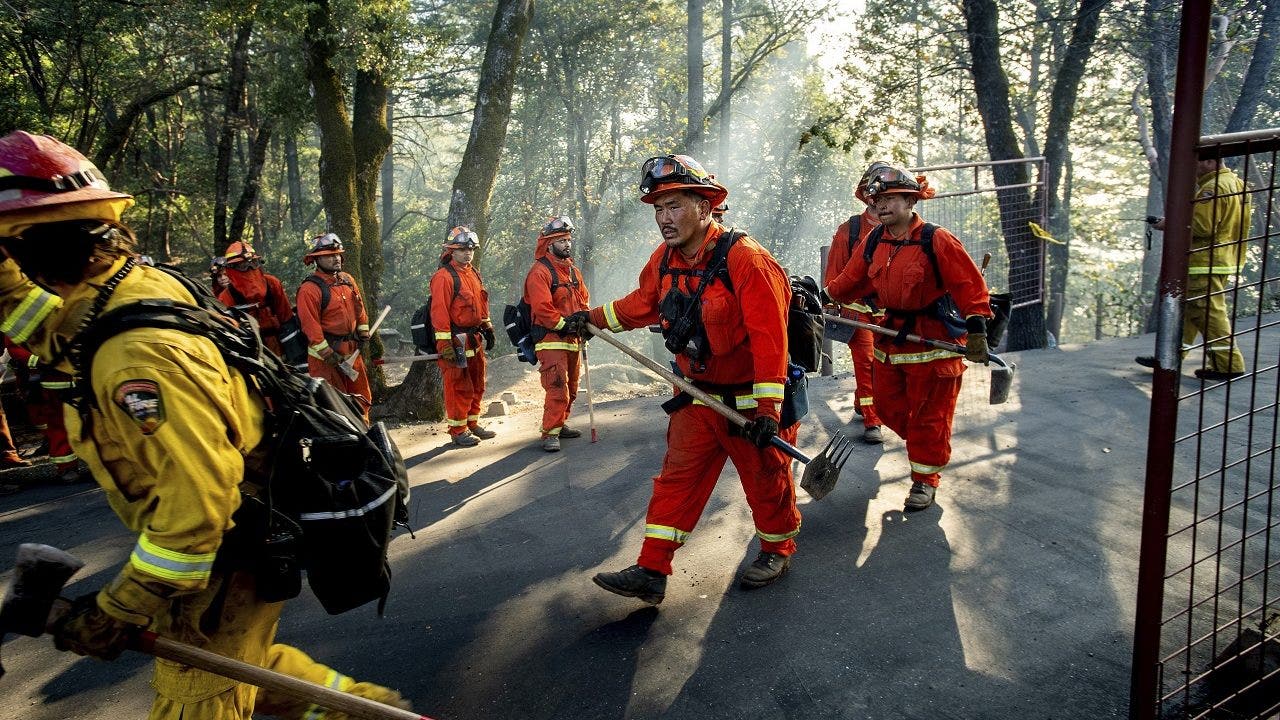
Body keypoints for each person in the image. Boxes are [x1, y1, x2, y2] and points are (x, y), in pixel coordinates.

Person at [0, 131, 407, 717]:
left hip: (223, 558)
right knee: (247, 672)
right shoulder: (127, 290)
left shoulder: (138, 355)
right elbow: (58, 330)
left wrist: (118, 611)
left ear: (32, 247)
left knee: (198, 697)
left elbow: (195, 515)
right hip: (232, 536)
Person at [580, 154, 801, 604]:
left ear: (705, 206)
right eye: (658, 209)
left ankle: (777, 549)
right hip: (697, 396)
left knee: (766, 479)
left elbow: (770, 340)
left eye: (674, 206)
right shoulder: (663, 260)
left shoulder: (747, 260)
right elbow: (638, 305)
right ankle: (651, 569)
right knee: (676, 479)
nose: (664, 218)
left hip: (749, 402)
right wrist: (586, 318)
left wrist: (767, 410)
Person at [824, 164, 992, 511]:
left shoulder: (936, 239)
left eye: (888, 198)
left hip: (934, 342)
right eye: (876, 199)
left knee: (930, 416)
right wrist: (819, 298)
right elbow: (849, 281)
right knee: (886, 406)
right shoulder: (874, 240)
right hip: (892, 338)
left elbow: (969, 286)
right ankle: (922, 445)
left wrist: (977, 329)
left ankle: (925, 481)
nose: (880, 205)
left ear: (910, 200)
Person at [1136, 157, 1250, 381]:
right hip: (1221, 258)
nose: (1194, 167)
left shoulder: (1213, 188)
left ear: (1210, 162)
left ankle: (1229, 365)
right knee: (1190, 313)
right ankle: (1171, 357)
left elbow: (1200, 226)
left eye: (1197, 162)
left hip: (1204, 262)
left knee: (1208, 313)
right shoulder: (1236, 183)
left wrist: (1168, 224)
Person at [823, 161, 890, 444]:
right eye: (876, 195)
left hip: (890, 311)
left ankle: (863, 402)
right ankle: (872, 421)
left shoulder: (901, 231)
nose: (880, 202)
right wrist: (828, 304)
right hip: (857, 311)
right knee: (866, 363)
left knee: (884, 363)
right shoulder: (849, 230)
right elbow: (834, 271)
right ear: (867, 195)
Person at [523, 216, 590, 452]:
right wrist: (563, 325)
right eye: (561, 240)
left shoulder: (572, 271)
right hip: (550, 339)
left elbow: (583, 300)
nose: (567, 244)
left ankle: (560, 424)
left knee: (572, 387)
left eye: (568, 239)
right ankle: (549, 433)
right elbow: (542, 308)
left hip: (572, 340)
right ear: (549, 244)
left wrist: (586, 322)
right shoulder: (539, 272)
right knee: (557, 385)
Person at [430, 226, 496, 447]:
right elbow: (439, 313)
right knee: (458, 385)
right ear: (451, 250)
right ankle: (458, 430)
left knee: (477, 383)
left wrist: (488, 326)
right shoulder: (444, 277)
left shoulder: (473, 273)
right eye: (462, 249)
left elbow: (481, 303)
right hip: (454, 340)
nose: (467, 253)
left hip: (473, 339)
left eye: (470, 249)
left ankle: (472, 423)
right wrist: (444, 345)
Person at [295, 233, 372, 414]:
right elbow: (310, 325)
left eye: (337, 254)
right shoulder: (309, 289)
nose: (336, 258)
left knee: (361, 399)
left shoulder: (347, 280)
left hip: (352, 353)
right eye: (330, 255)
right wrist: (327, 353)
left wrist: (363, 333)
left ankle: (364, 436)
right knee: (333, 406)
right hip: (325, 360)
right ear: (316, 259)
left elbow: (359, 309)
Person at [4, 338, 86, 483]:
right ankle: (67, 467)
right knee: (58, 425)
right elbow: (16, 346)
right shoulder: (16, 320)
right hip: (50, 379)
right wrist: (42, 361)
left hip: (78, 373)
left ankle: (104, 462)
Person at [216, 241, 295, 357]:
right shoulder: (226, 297)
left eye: (253, 263)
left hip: (281, 348)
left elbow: (286, 318)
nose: (249, 268)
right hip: (252, 354)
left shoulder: (272, 283)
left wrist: (294, 353)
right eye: (242, 266)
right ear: (231, 269)